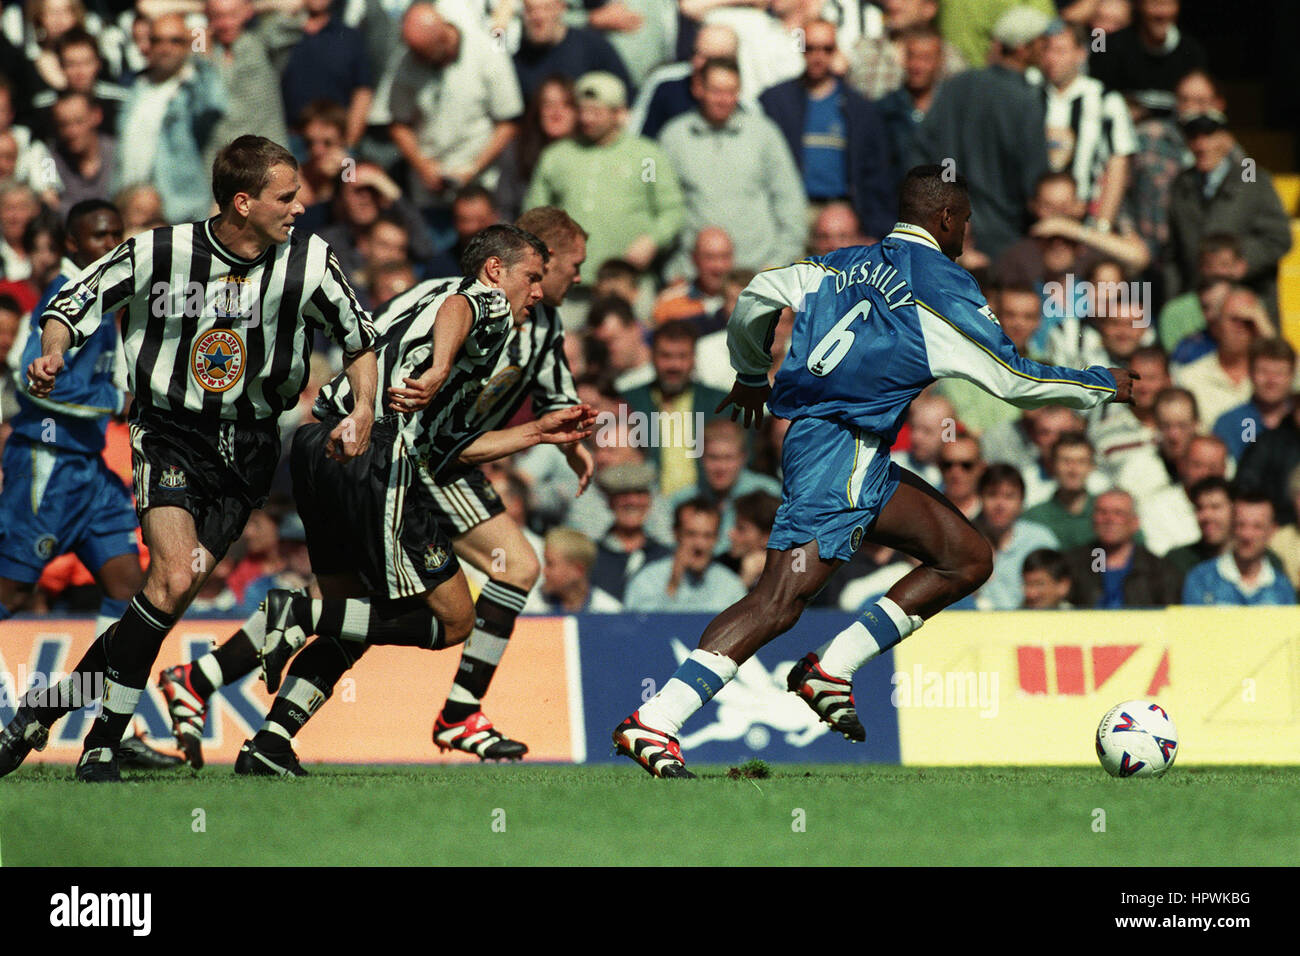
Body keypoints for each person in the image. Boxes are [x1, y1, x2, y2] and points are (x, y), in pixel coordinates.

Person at [611, 165, 1133, 778]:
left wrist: (751, 371)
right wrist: (1104, 384)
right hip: (845, 453)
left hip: (837, 447)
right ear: (944, 219)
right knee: (779, 600)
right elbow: (1013, 380)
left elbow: (757, 294)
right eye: (964, 220)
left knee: (966, 556)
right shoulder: (945, 286)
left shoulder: (839, 263)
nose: (966, 231)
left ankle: (830, 668)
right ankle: (656, 720)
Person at [0, 136, 379, 783]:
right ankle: (101, 745)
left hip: (251, 451)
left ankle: (46, 710)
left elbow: (360, 336)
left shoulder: (310, 261)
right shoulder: (160, 251)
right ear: (242, 201)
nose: (300, 206)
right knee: (173, 578)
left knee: (162, 599)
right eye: (286, 196)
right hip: (171, 433)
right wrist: (54, 350)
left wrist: (364, 406)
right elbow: (74, 302)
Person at [156, 210, 596, 766]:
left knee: (357, 608)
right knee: (465, 603)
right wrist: (435, 368)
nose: (571, 280)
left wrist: (546, 433)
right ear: (534, 261)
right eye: (566, 267)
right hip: (388, 452)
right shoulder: (474, 297)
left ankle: (252, 724)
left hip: (355, 444)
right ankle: (459, 713)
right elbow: (436, 319)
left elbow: (452, 414)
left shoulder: (542, 327)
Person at [0, 199, 178, 771]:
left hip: (93, 472)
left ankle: (104, 723)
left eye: (116, 234)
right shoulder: (64, 297)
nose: (110, 243)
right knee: (11, 594)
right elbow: (29, 382)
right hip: (46, 466)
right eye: (98, 236)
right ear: (74, 245)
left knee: (133, 594)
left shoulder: (112, 297)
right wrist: (115, 401)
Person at [622, 497, 748, 613]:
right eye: (691, 534)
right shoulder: (647, 580)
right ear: (676, 534)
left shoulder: (731, 587)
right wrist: (672, 586)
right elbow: (638, 628)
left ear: (717, 538)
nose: (699, 545)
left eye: (708, 536)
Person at [1182, 494, 1295, 606]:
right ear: (1231, 526)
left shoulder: (1282, 588)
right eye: (1241, 525)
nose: (1247, 535)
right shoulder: (1201, 580)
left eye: (1257, 526)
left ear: (1272, 530)